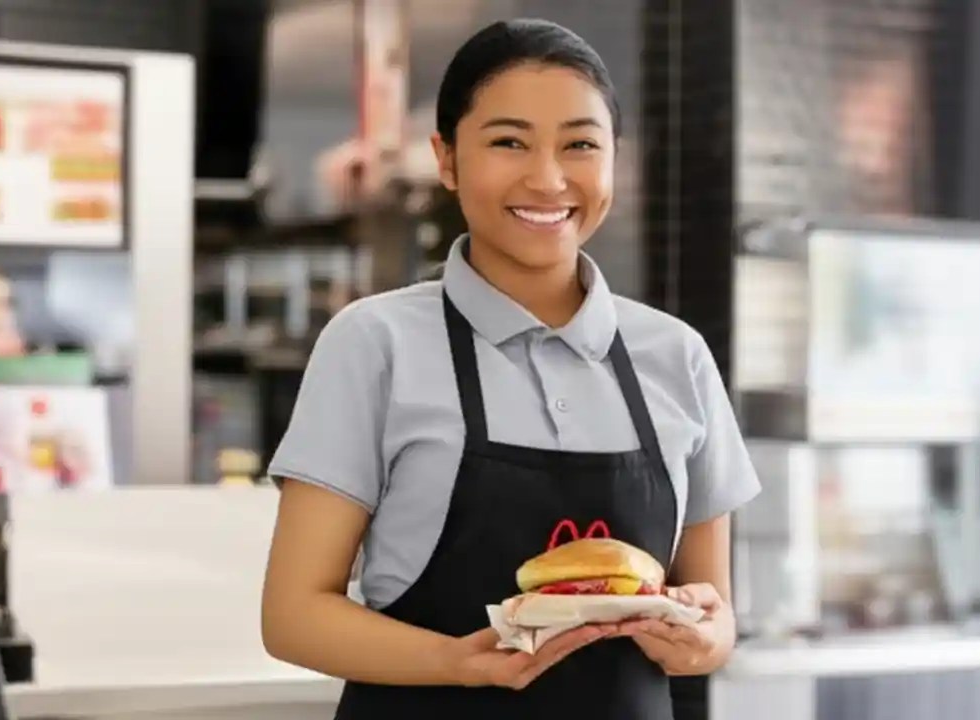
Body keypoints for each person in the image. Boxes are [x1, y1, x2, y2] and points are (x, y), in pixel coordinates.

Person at [260, 18, 761, 719]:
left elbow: (716, 616)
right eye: (508, 142)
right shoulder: (374, 343)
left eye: (581, 145)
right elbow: (293, 615)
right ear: (446, 158)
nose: (549, 178)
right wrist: (455, 663)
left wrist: (703, 640)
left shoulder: (677, 356)